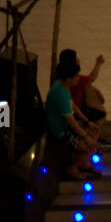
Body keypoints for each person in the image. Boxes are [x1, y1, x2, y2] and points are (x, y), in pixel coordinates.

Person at [45, 52, 103, 181]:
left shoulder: (63, 86)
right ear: (68, 78)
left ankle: (84, 162)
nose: (78, 78)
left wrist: (87, 122)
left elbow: (73, 105)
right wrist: (85, 137)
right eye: (76, 76)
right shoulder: (60, 93)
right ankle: (72, 167)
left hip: (65, 126)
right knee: (89, 145)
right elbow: (70, 120)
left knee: (95, 131)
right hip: (60, 131)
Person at [67, 50, 111, 142]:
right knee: (100, 114)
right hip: (77, 111)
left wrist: (94, 89)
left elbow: (87, 83)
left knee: (99, 113)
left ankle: (95, 135)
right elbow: (91, 78)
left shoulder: (67, 78)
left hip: (78, 108)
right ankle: (92, 137)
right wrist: (98, 64)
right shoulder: (72, 79)